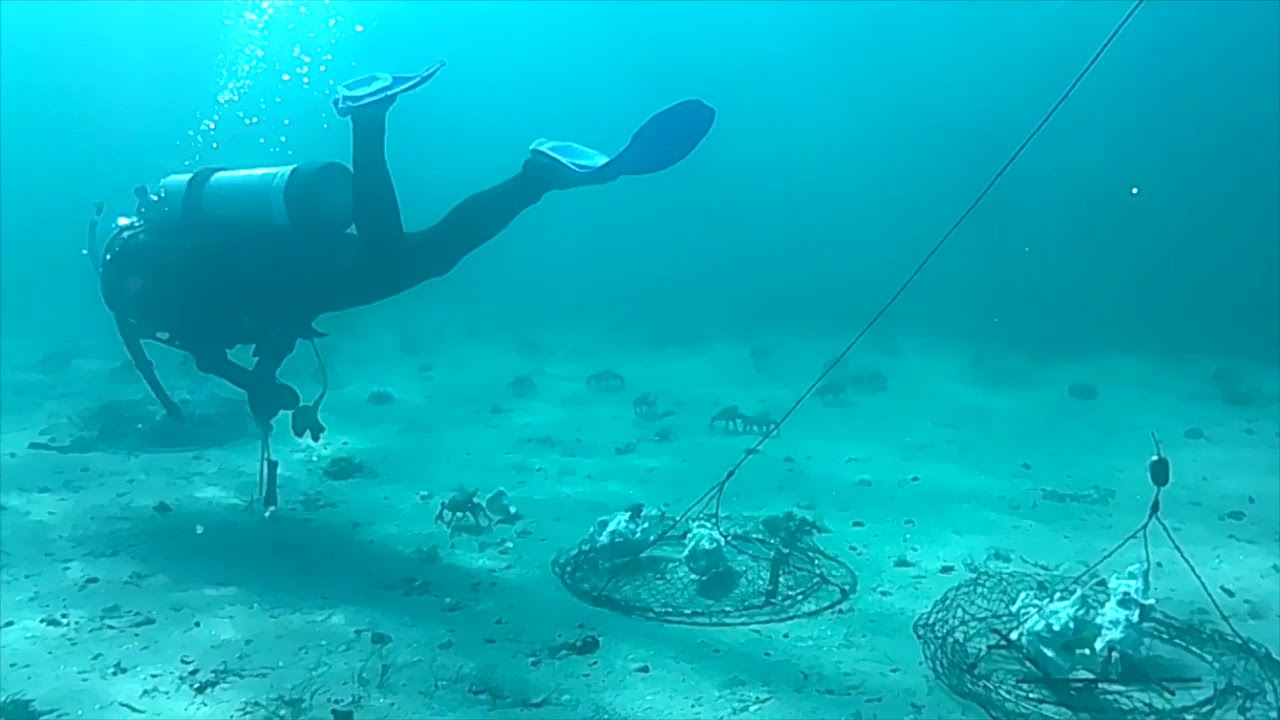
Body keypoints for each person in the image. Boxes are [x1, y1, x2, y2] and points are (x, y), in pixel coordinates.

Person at [88, 61, 715, 440]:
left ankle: (373, 117)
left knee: (399, 259)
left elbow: (210, 352)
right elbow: (254, 326)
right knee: (422, 256)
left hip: (285, 274)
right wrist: (268, 375)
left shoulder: (154, 304)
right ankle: (537, 176)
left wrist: (260, 384)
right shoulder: (168, 273)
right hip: (290, 261)